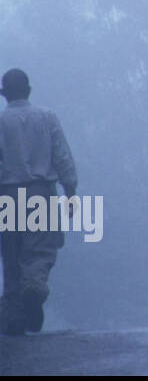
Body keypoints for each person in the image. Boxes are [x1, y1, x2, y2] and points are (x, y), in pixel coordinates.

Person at [0, 69, 77, 335]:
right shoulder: (47, 117)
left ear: (3, 94)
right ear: (29, 91)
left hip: (7, 195)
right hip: (41, 192)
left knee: (10, 256)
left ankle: (14, 317)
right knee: (39, 252)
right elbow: (62, 156)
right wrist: (70, 191)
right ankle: (34, 287)